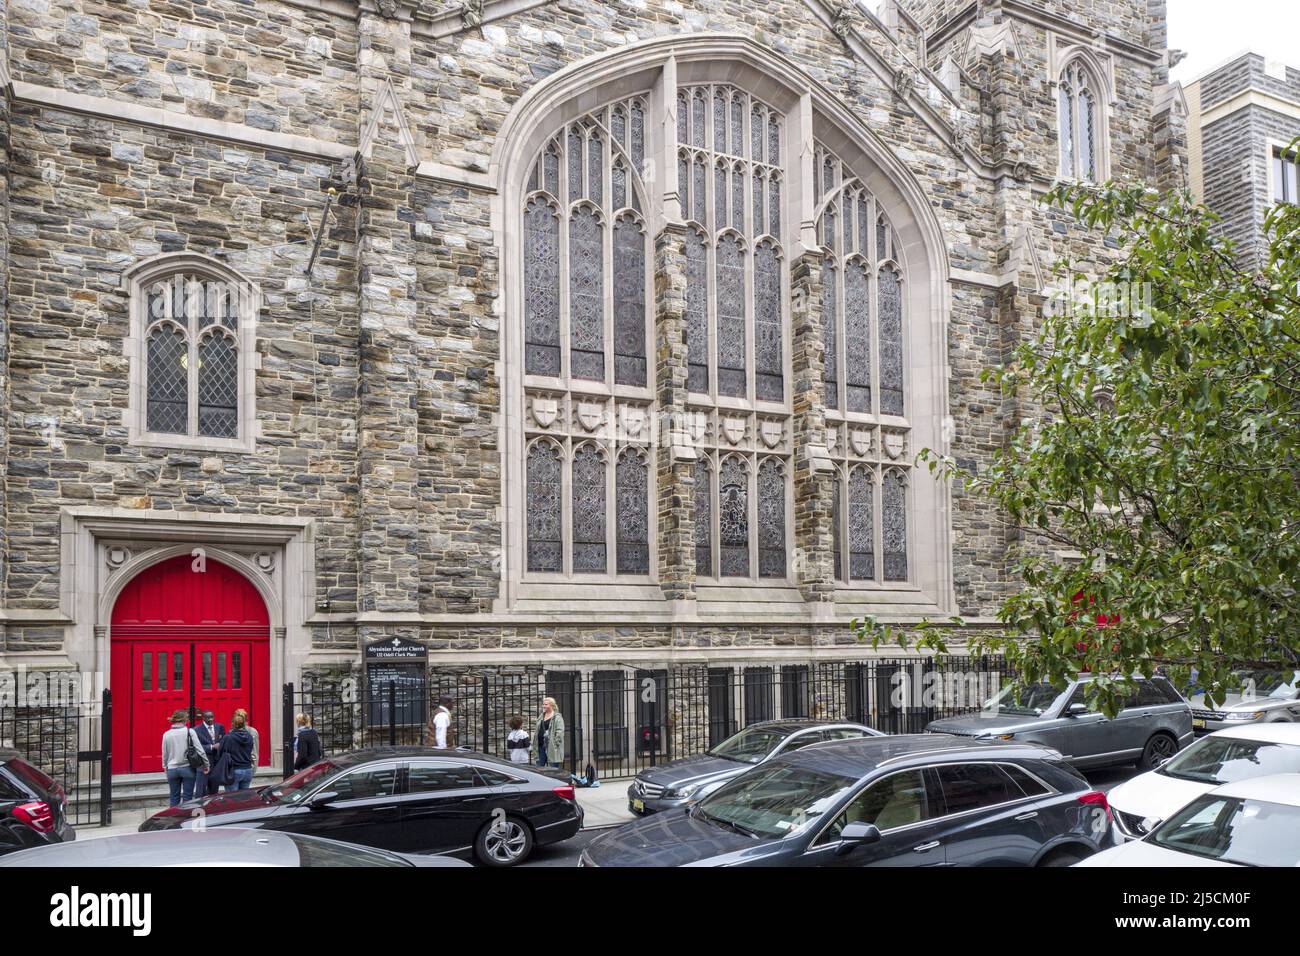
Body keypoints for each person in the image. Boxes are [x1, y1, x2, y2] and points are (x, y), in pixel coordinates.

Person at [162, 710, 207, 807]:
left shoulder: (166, 734)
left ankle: (174, 819)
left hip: (172, 769)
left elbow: (164, 754)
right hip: (187, 768)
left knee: (174, 797)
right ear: (185, 720)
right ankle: (185, 819)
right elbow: (200, 750)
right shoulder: (190, 731)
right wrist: (206, 764)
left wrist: (165, 767)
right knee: (187, 798)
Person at [192, 709, 225, 798]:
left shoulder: (220, 727)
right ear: (203, 718)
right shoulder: (196, 730)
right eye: (207, 717)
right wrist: (211, 747)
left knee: (214, 790)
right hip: (203, 763)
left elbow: (224, 741)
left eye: (212, 717)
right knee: (201, 790)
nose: (210, 719)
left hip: (217, 763)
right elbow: (196, 747)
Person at [223, 708, 257, 790]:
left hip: (235, 770)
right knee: (243, 798)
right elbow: (254, 752)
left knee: (232, 799)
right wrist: (253, 768)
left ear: (233, 724)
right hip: (248, 769)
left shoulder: (229, 736)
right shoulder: (249, 736)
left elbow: (223, 752)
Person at [532, 697, 565, 769]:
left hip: (552, 747)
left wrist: (555, 743)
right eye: (543, 704)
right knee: (539, 769)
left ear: (552, 705)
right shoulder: (541, 716)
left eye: (546, 704)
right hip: (540, 746)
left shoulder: (557, 717)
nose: (543, 706)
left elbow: (560, 731)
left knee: (553, 770)